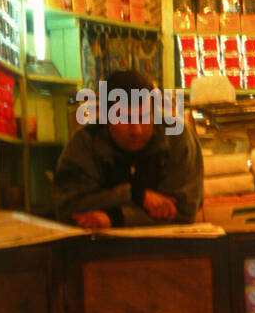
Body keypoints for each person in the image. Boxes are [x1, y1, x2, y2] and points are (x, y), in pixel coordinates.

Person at [52, 70, 203, 229]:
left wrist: (114, 218)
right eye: (124, 118)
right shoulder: (85, 142)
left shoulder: (176, 137)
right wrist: (134, 195)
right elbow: (66, 207)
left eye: (144, 116)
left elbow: (184, 212)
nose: (136, 130)